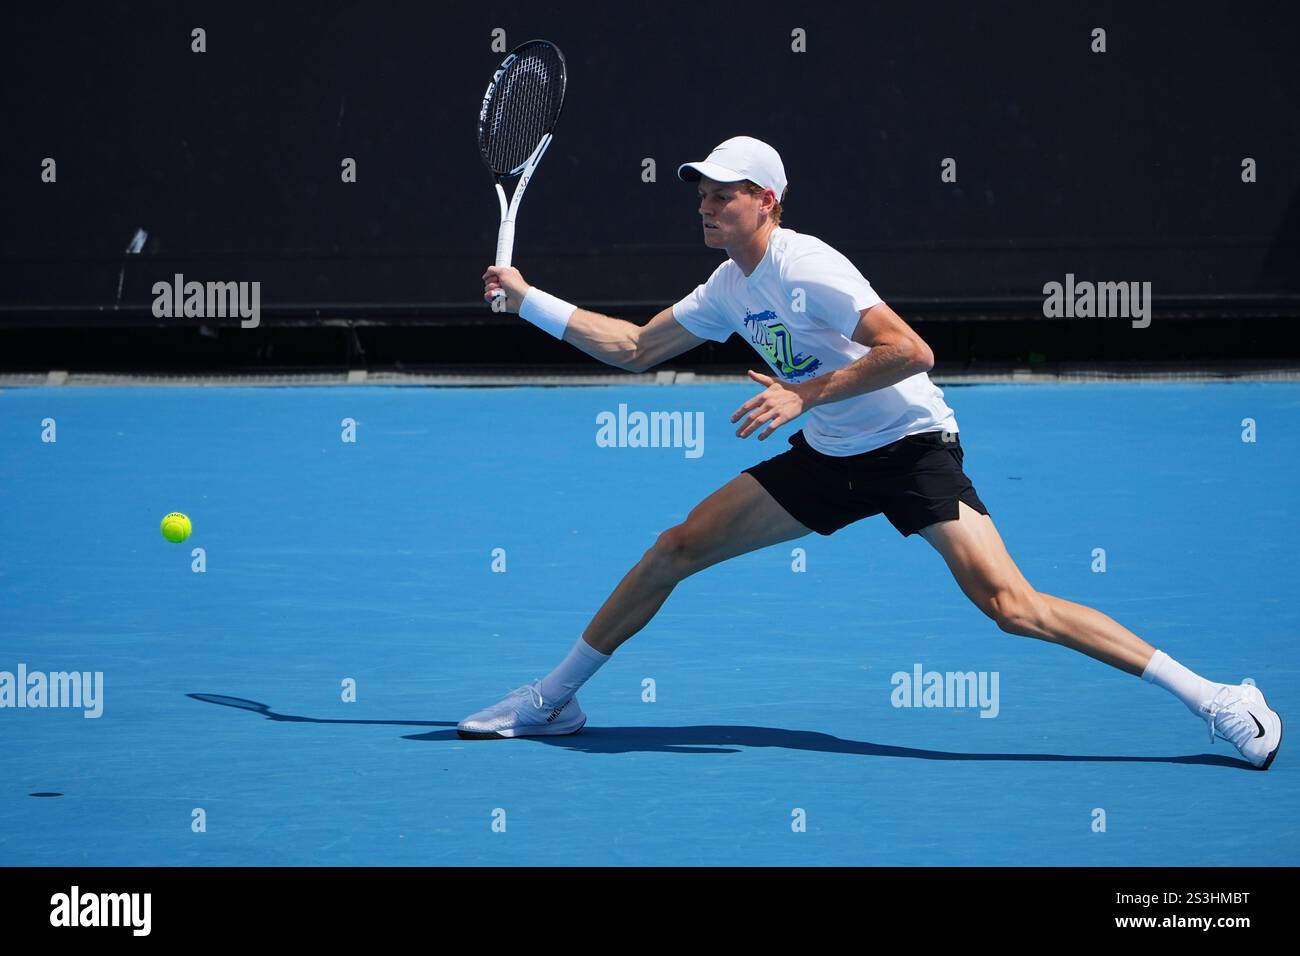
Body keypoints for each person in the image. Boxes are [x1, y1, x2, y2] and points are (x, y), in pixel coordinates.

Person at [467, 135, 1282, 769]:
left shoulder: (807, 266)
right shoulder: (725, 287)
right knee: (676, 547)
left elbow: (912, 351)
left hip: (909, 446)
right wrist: (530, 300)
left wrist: (804, 394)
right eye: (702, 196)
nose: (707, 207)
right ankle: (553, 701)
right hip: (830, 455)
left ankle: (1213, 697)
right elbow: (637, 346)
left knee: (1012, 607)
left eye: (724, 195)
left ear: (768, 202)